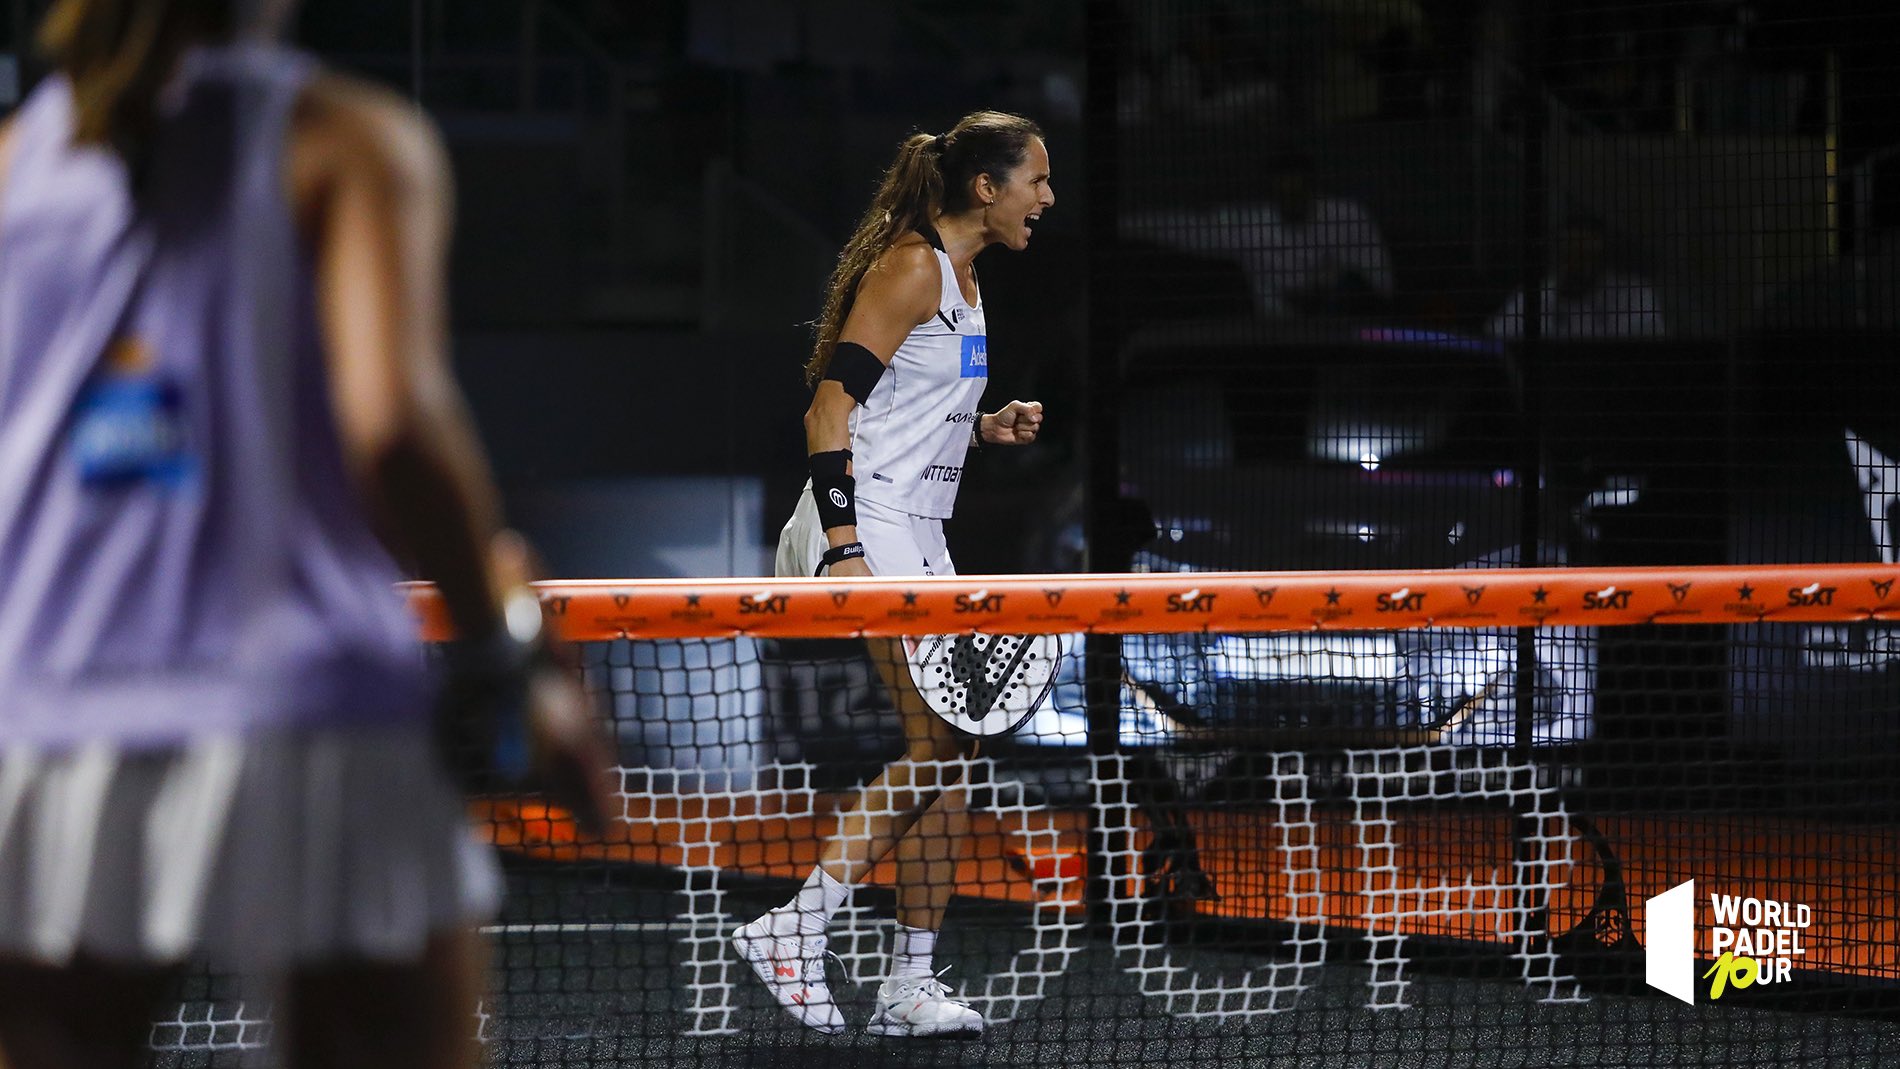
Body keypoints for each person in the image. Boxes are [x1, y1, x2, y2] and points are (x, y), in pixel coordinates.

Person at [0, 2, 613, 1068]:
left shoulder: (11, 163)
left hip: (43, 719)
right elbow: (395, 432)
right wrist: (500, 652)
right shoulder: (347, 137)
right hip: (309, 707)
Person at [731, 111, 1052, 1039]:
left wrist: (981, 424)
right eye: (1035, 178)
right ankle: (797, 926)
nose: (1048, 197)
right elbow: (828, 413)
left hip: (923, 531)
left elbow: (907, 402)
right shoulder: (910, 266)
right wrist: (844, 545)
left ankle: (909, 983)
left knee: (954, 753)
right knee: (939, 745)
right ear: (985, 188)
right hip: (867, 523)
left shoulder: (969, 280)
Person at [1123, 149, 1394, 319]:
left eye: (1297, 190)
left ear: (1311, 186)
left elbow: (1380, 281)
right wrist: (1125, 225)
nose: (1290, 197)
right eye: (1282, 191)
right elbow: (1186, 229)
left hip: (1346, 331)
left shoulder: (1347, 216)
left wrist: (1331, 288)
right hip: (1278, 341)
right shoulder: (1252, 227)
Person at [1487, 214, 1666, 340]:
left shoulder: (1635, 298)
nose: (1576, 265)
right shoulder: (1531, 299)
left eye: (1585, 255)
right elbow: (1496, 341)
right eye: (1569, 254)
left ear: (1602, 257)